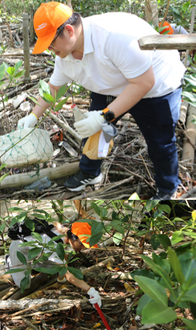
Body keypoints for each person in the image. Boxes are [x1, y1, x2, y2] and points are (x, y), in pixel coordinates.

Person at [20, 2, 185, 199]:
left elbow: (144, 82)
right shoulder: (63, 55)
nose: (49, 48)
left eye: (51, 42)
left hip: (155, 85)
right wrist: (32, 116)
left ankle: (167, 188)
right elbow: (54, 88)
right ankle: (91, 172)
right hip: (110, 84)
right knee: (92, 131)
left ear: (70, 30)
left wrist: (104, 116)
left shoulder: (114, 37)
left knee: (160, 142)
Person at [6, 220, 104, 307]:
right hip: (19, 249)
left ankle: (33, 265)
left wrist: (60, 278)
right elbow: (67, 273)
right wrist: (90, 290)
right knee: (24, 285)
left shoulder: (63, 232)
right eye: (81, 244)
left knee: (54, 268)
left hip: (35, 251)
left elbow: (62, 260)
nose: (82, 248)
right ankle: (10, 261)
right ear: (73, 238)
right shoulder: (54, 244)